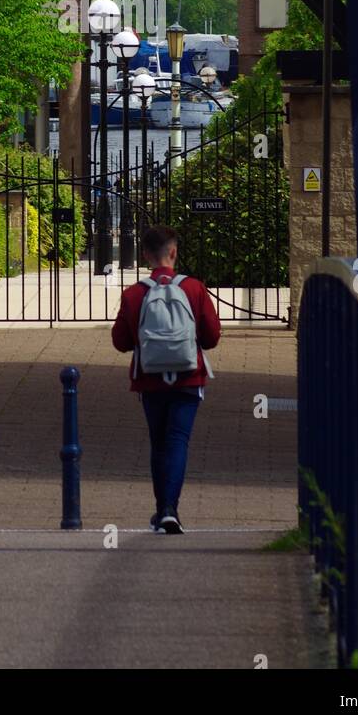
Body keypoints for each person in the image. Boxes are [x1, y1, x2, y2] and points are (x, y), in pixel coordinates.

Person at [111, 224, 221, 534]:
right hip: (189, 378)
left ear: (145, 255)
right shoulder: (195, 288)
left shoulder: (134, 294)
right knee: (177, 441)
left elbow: (120, 342)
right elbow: (212, 337)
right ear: (174, 252)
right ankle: (169, 510)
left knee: (158, 443)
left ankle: (163, 511)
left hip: (150, 380)